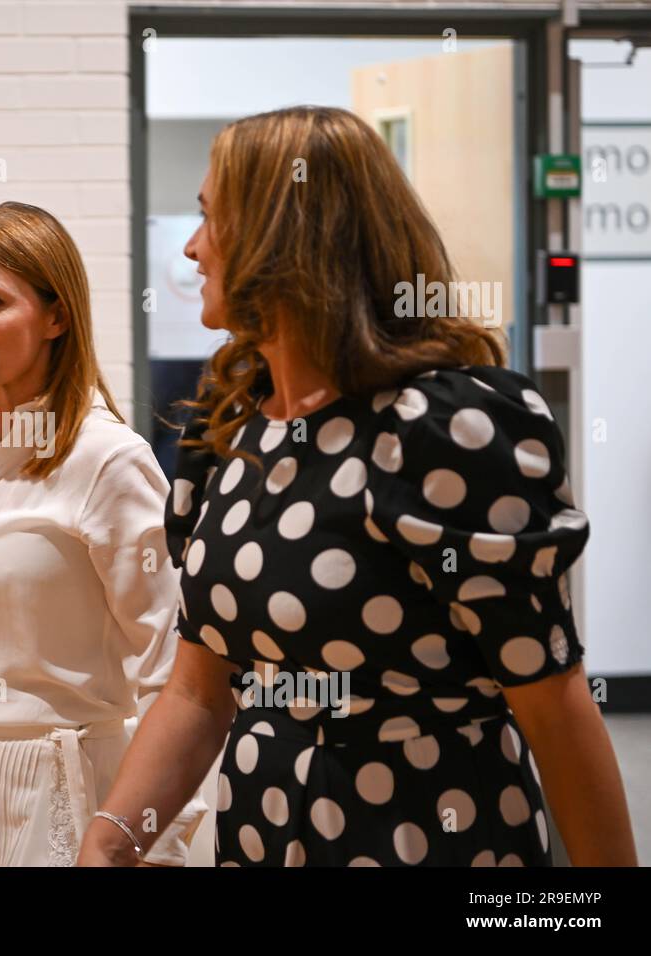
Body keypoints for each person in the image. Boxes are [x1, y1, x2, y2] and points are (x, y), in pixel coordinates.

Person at [79, 106, 637, 867]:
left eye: (212, 217)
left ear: (285, 237)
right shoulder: (231, 422)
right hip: (265, 833)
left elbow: (556, 706)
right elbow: (199, 693)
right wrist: (110, 843)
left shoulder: (444, 427)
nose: (192, 245)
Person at [0, 202, 205, 866]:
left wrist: (155, 845)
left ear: (56, 316)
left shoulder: (108, 460)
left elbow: (172, 674)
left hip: (75, 800)